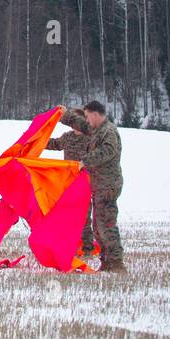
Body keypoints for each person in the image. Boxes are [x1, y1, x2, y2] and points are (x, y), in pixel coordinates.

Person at [62, 100, 125, 273]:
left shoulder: (109, 132)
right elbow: (81, 125)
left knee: (107, 226)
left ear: (96, 114)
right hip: (99, 186)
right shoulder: (97, 130)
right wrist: (64, 114)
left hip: (108, 186)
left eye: (88, 116)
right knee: (98, 228)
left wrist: (85, 161)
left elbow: (107, 151)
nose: (87, 120)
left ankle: (117, 264)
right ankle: (106, 262)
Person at [50, 106, 97, 257]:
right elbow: (54, 144)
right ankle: (69, 246)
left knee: (84, 217)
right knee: (66, 216)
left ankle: (87, 248)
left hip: (84, 184)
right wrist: (35, 141)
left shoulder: (90, 139)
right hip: (67, 183)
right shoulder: (67, 137)